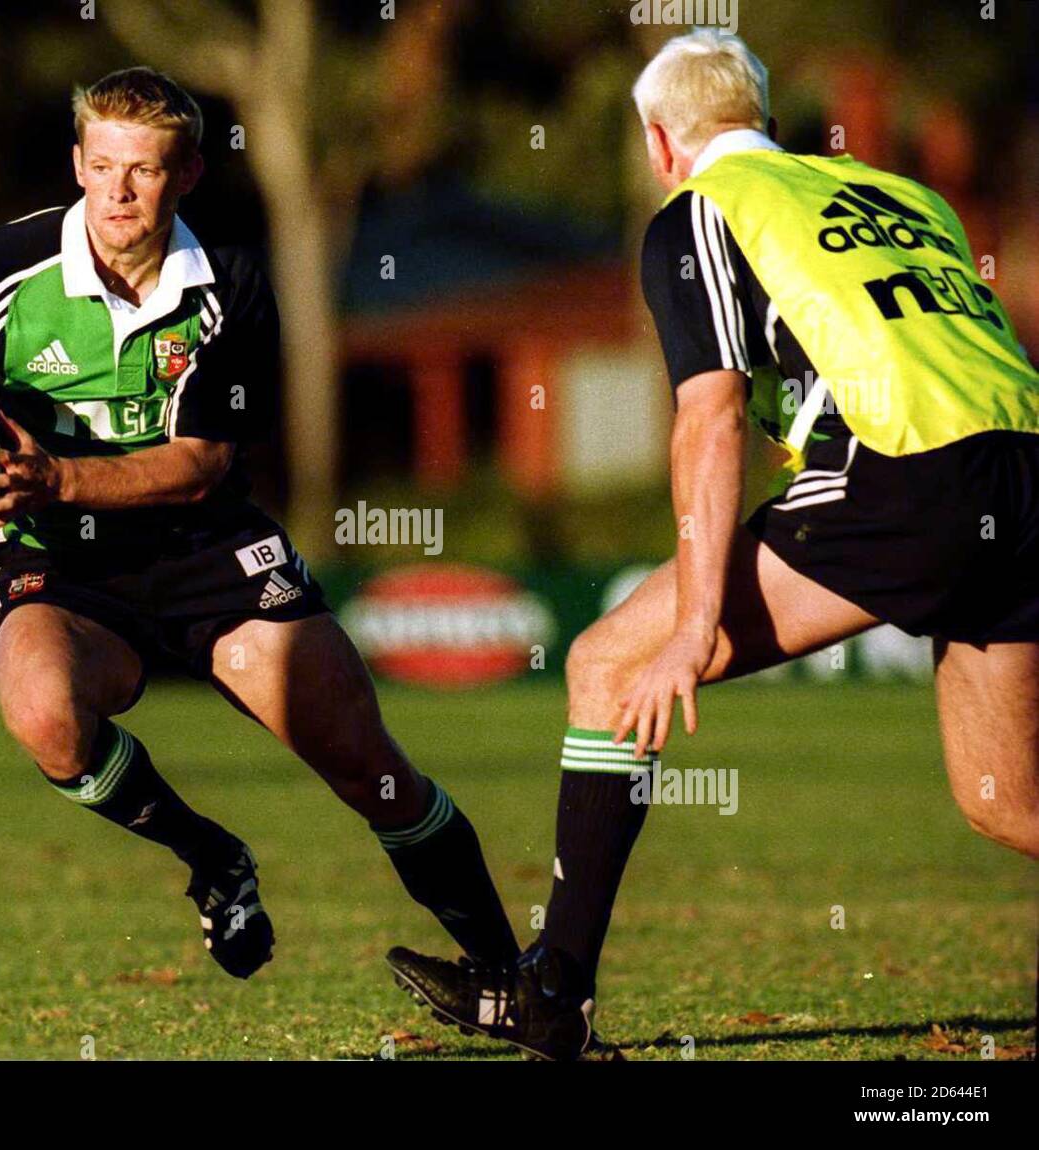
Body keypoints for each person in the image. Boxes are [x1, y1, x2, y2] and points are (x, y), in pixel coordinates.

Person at [386, 29, 1039, 1061]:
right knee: (1005, 800)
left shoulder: (700, 211)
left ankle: (553, 995)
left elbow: (710, 416)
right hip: (1025, 470)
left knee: (610, 665)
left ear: (659, 144)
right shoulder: (904, 195)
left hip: (905, 474)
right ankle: (550, 987)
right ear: (765, 120)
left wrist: (694, 626)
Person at [0, 66, 518, 986]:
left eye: (143, 170)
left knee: (367, 767)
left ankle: (516, 981)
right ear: (77, 164)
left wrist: (55, 477)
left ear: (186, 175)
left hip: (208, 550)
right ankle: (212, 858)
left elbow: (201, 466)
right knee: (45, 713)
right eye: (102, 166)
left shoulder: (232, 284)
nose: (118, 191)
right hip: (64, 565)